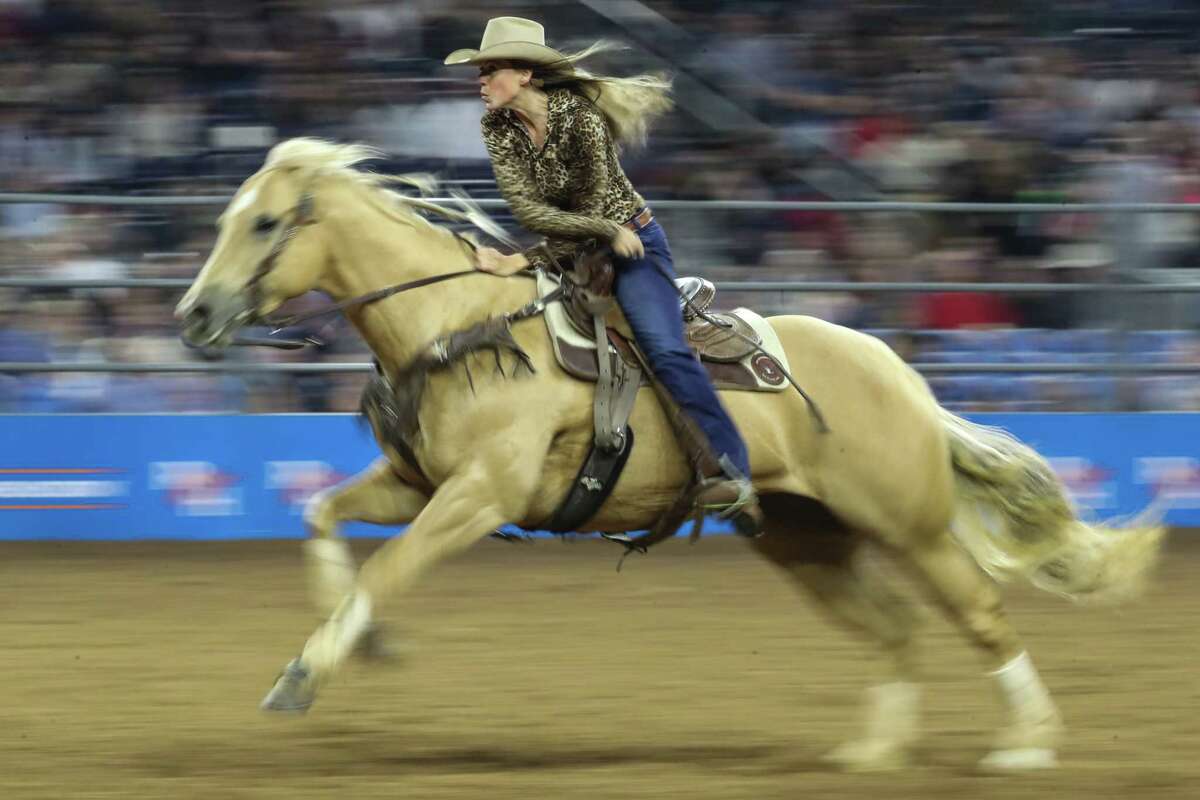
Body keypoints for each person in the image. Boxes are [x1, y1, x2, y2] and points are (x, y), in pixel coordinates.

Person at [444, 16, 762, 535]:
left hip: (635, 247)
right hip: (577, 247)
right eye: (480, 72)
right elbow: (528, 210)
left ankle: (732, 471)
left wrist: (527, 259)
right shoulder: (495, 127)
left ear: (524, 74)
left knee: (665, 349)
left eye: (490, 71)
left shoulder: (580, 118)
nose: (481, 82)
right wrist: (592, 235)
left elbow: (592, 207)